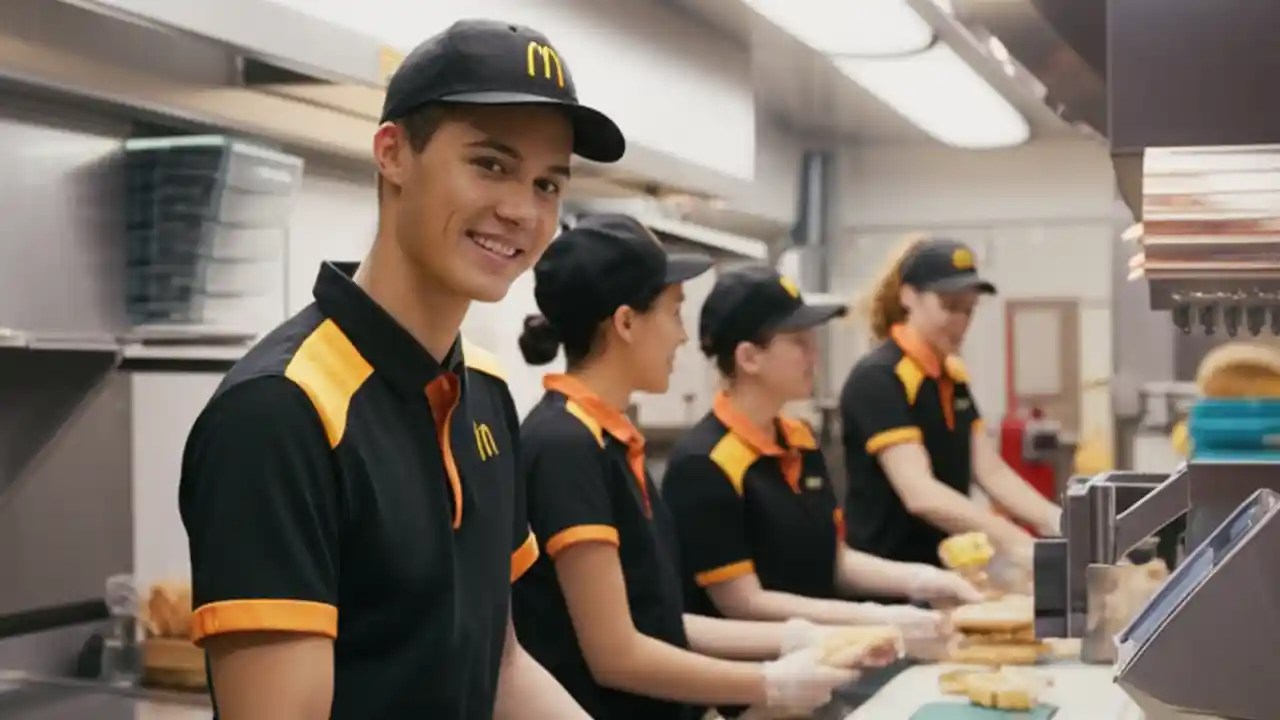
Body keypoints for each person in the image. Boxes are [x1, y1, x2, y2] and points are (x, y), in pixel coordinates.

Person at [178, 19, 625, 719]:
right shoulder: (281, 411)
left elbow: (499, 664)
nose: (520, 211)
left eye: (547, 185)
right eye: (491, 164)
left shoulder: (487, 391)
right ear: (393, 153)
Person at [512, 215, 894, 720]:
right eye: (673, 314)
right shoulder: (565, 446)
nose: (682, 339)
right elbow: (616, 655)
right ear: (626, 323)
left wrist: (808, 640)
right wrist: (769, 683)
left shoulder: (608, 439)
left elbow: (659, 623)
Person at [660, 264, 983, 648]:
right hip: (754, 686)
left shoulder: (798, 441)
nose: (814, 355)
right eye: (798, 342)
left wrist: (922, 579)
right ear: (749, 358)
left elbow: (835, 560)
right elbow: (743, 602)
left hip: (825, 660)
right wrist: (871, 618)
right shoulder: (705, 464)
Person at [838, 236, 1063, 577]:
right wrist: (1013, 539)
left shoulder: (950, 378)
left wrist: (1056, 522)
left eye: (968, 309)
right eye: (949, 305)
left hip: (944, 576)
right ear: (908, 296)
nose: (960, 322)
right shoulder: (879, 379)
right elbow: (919, 492)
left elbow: (991, 471)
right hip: (891, 585)